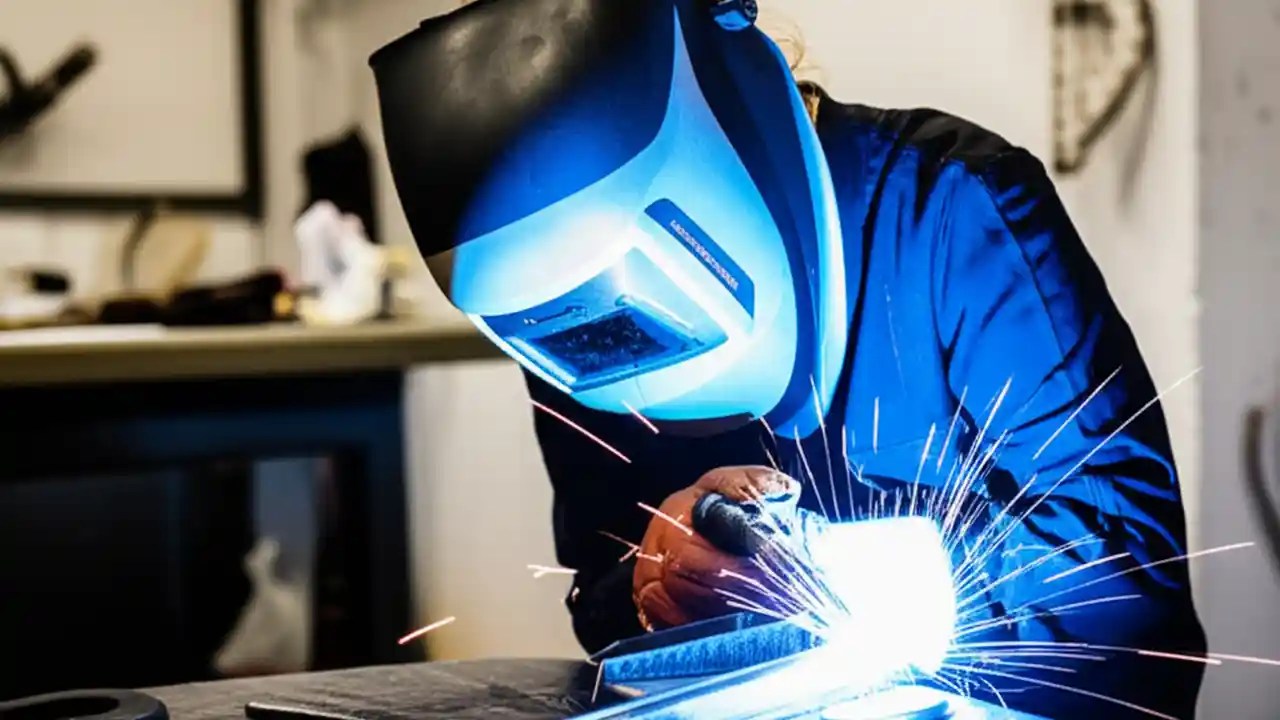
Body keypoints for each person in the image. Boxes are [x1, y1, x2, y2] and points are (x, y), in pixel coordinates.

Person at [369, 1, 1206, 716]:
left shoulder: (954, 216)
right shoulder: (570, 309)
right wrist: (655, 579)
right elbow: (601, 587)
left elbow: (1126, 590)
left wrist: (838, 572)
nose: (624, 359)